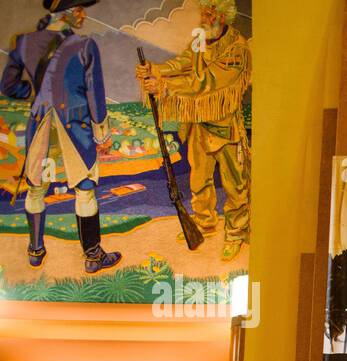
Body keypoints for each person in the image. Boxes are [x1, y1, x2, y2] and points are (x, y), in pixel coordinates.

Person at [2, 0, 122, 273]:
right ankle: (92, 257)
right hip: (75, 129)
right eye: (79, 7)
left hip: (39, 125)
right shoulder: (84, 45)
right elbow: (95, 94)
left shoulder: (23, 42)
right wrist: (102, 133)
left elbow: (8, 86)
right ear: (66, 12)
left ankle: (35, 252)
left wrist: (33, 96)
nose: (83, 14)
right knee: (84, 189)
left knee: (36, 188)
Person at [135, 0, 250, 261]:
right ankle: (205, 223)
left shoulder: (237, 49)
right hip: (199, 124)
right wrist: (156, 69)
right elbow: (184, 63)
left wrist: (164, 87)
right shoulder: (201, 40)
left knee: (235, 186)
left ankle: (235, 232)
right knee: (199, 180)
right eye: (204, 11)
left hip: (226, 130)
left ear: (224, 15)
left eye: (211, 12)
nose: (205, 16)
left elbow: (205, 83)